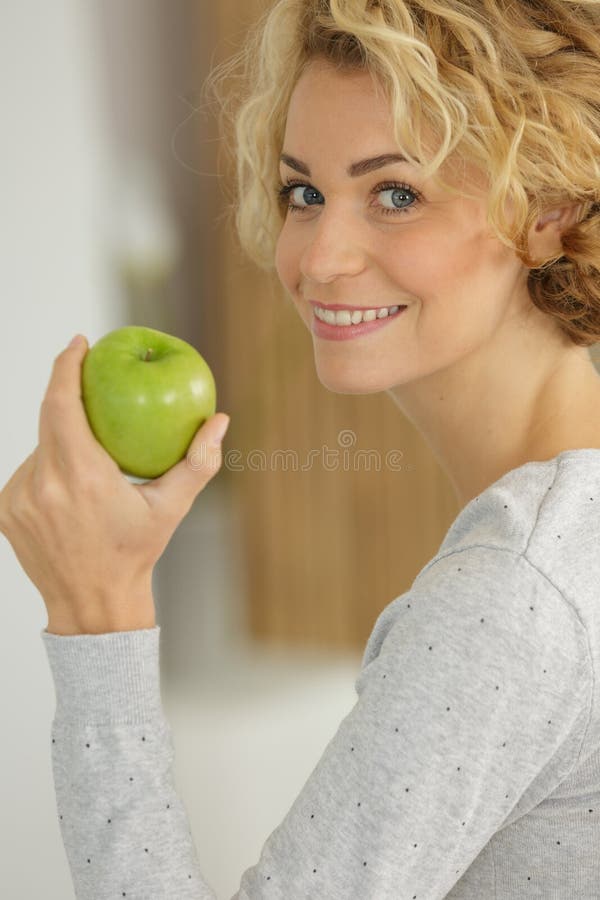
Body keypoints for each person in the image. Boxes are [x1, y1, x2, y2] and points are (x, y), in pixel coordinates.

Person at [2, 0, 600, 897]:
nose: (319, 258)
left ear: (549, 207)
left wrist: (98, 610)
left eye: (396, 194)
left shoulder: (517, 594)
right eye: (304, 193)